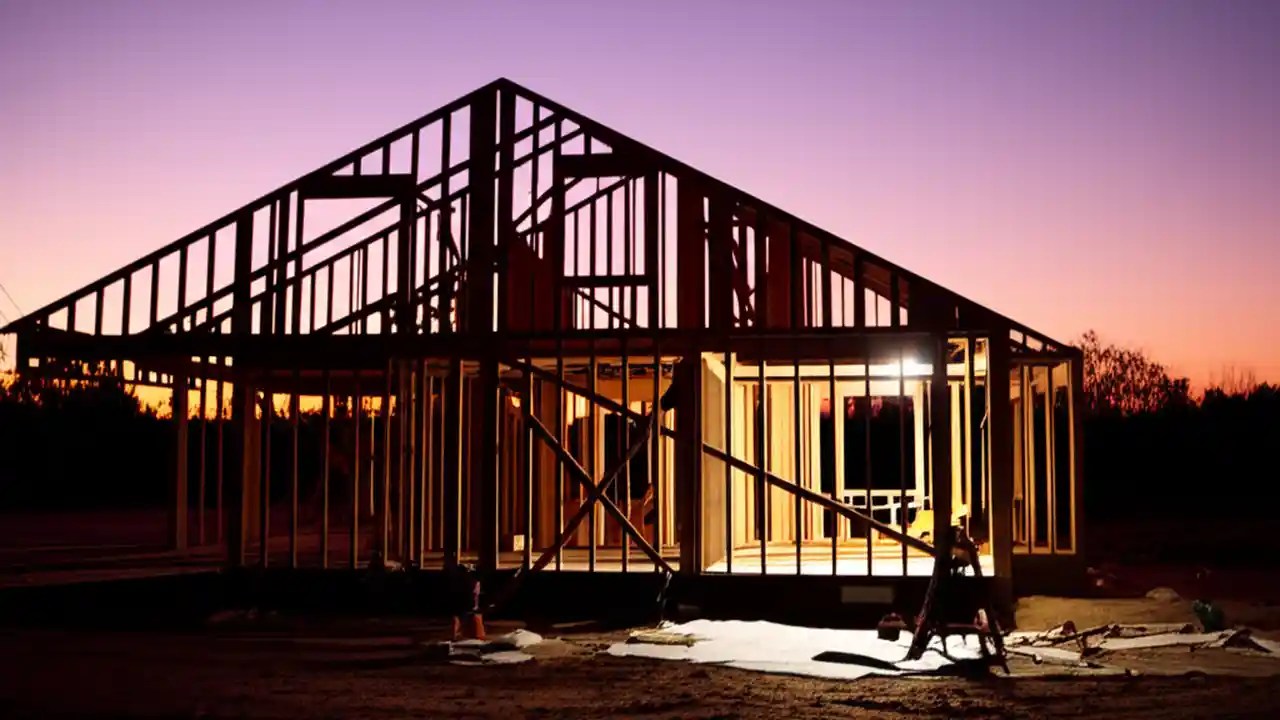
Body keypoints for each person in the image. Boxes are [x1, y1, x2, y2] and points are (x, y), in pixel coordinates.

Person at [449, 563, 485, 642]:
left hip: (463, 604)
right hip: (468, 604)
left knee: (459, 617)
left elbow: (474, 594)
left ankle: (455, 636)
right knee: (470, 618)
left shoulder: (458, 581)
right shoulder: (473, 581)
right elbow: (475, 594)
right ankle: (474, 636)